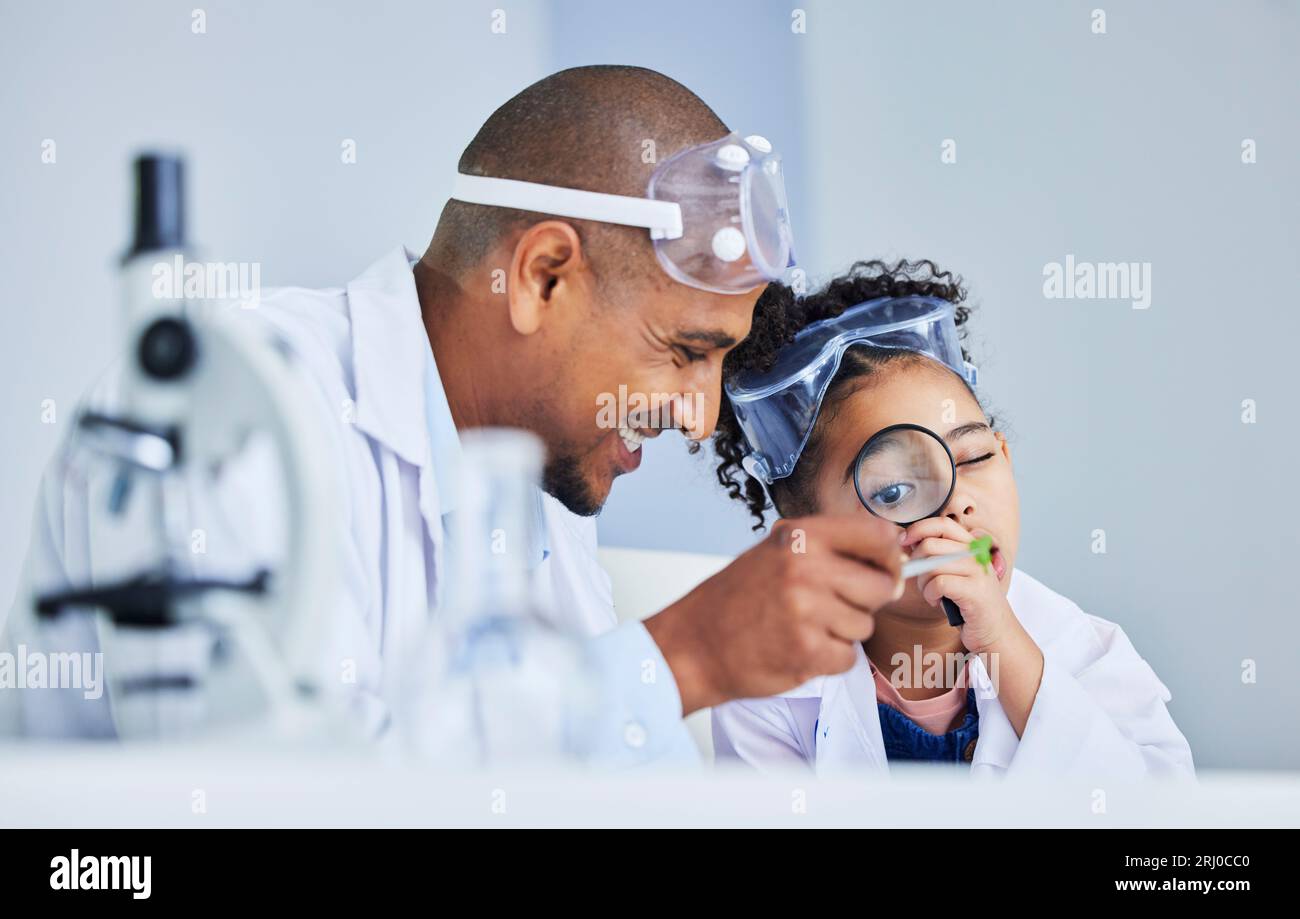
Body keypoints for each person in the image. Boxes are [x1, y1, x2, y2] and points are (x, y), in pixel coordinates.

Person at [1, 66, 903, 765]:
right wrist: (684, 658)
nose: (700, 418)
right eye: (684, 351)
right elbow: (266, 797)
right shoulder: (232, 405)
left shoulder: (538, 487)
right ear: (544, 276)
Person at [709, 260, 1195, 778]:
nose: (956, 502)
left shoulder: (1088, 653)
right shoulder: (762, 683)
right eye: (894, 489)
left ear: (1004, 455)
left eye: (974, 458)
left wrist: (1004, 646)